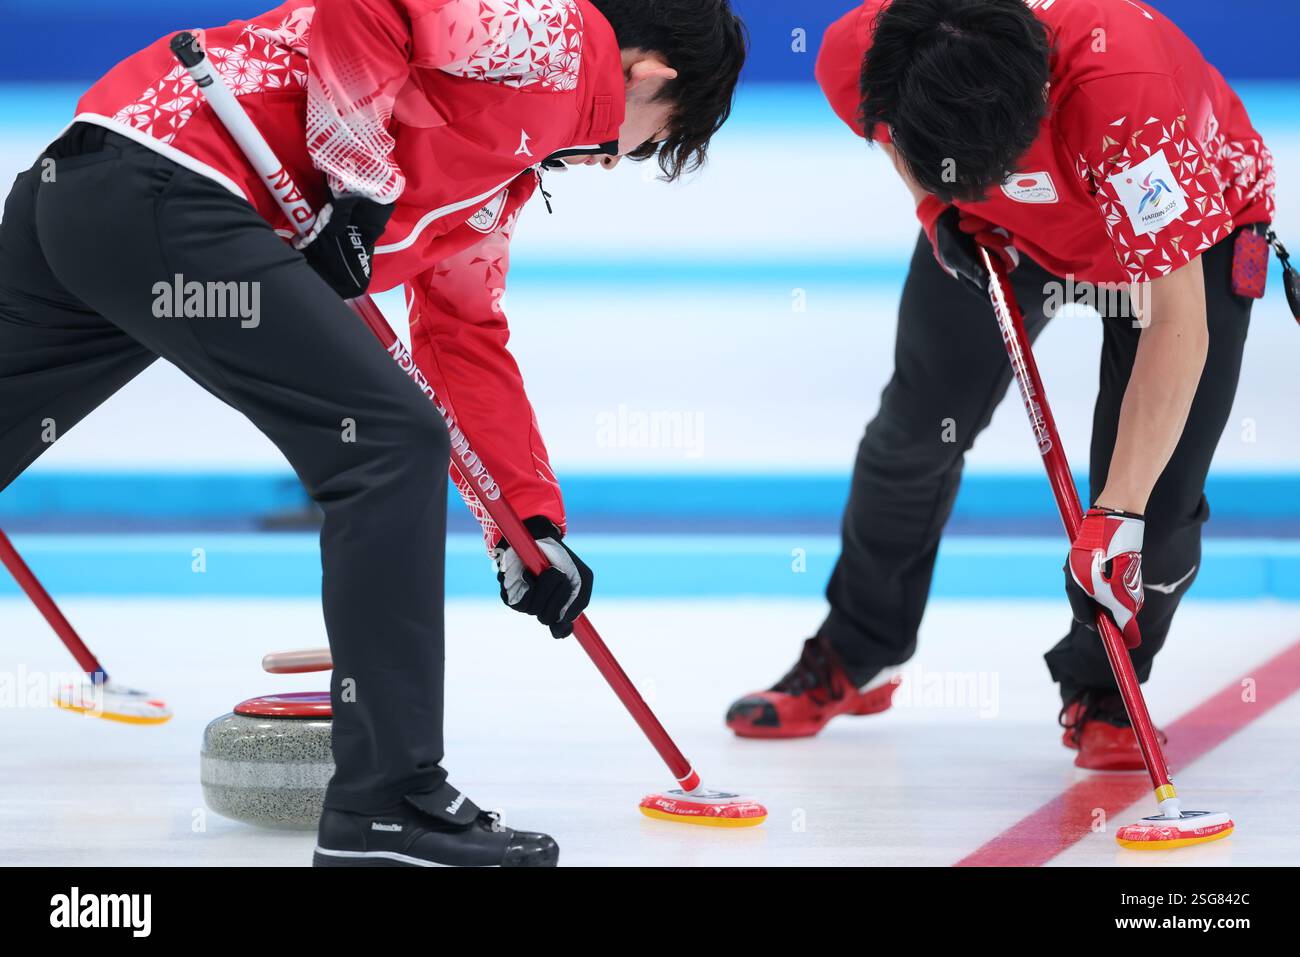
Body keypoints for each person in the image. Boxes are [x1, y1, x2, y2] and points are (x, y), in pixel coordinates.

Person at [0, 0, 746, 867]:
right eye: (651, 142)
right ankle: (386, 799)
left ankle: (386, 798)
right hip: (179, 181)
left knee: (395, 433)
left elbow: (464, 338)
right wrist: (356, 179)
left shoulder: (496, 183)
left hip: (88, 193)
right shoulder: (561, 36)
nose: (620, 162)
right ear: (652, 77)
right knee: (389, 443)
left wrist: (528, 524)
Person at [726, 0, 1275, 771]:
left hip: (1185, 234)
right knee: (915, 430)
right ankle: (857, 650)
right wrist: (936, 205)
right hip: (1003, 233)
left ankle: (1107, 685)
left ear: (1042, 98)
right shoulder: (863, 51)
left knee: (1153, 496)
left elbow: (1178, 324)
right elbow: (891, 135)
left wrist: (1113, 513)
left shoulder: (1125, 101)